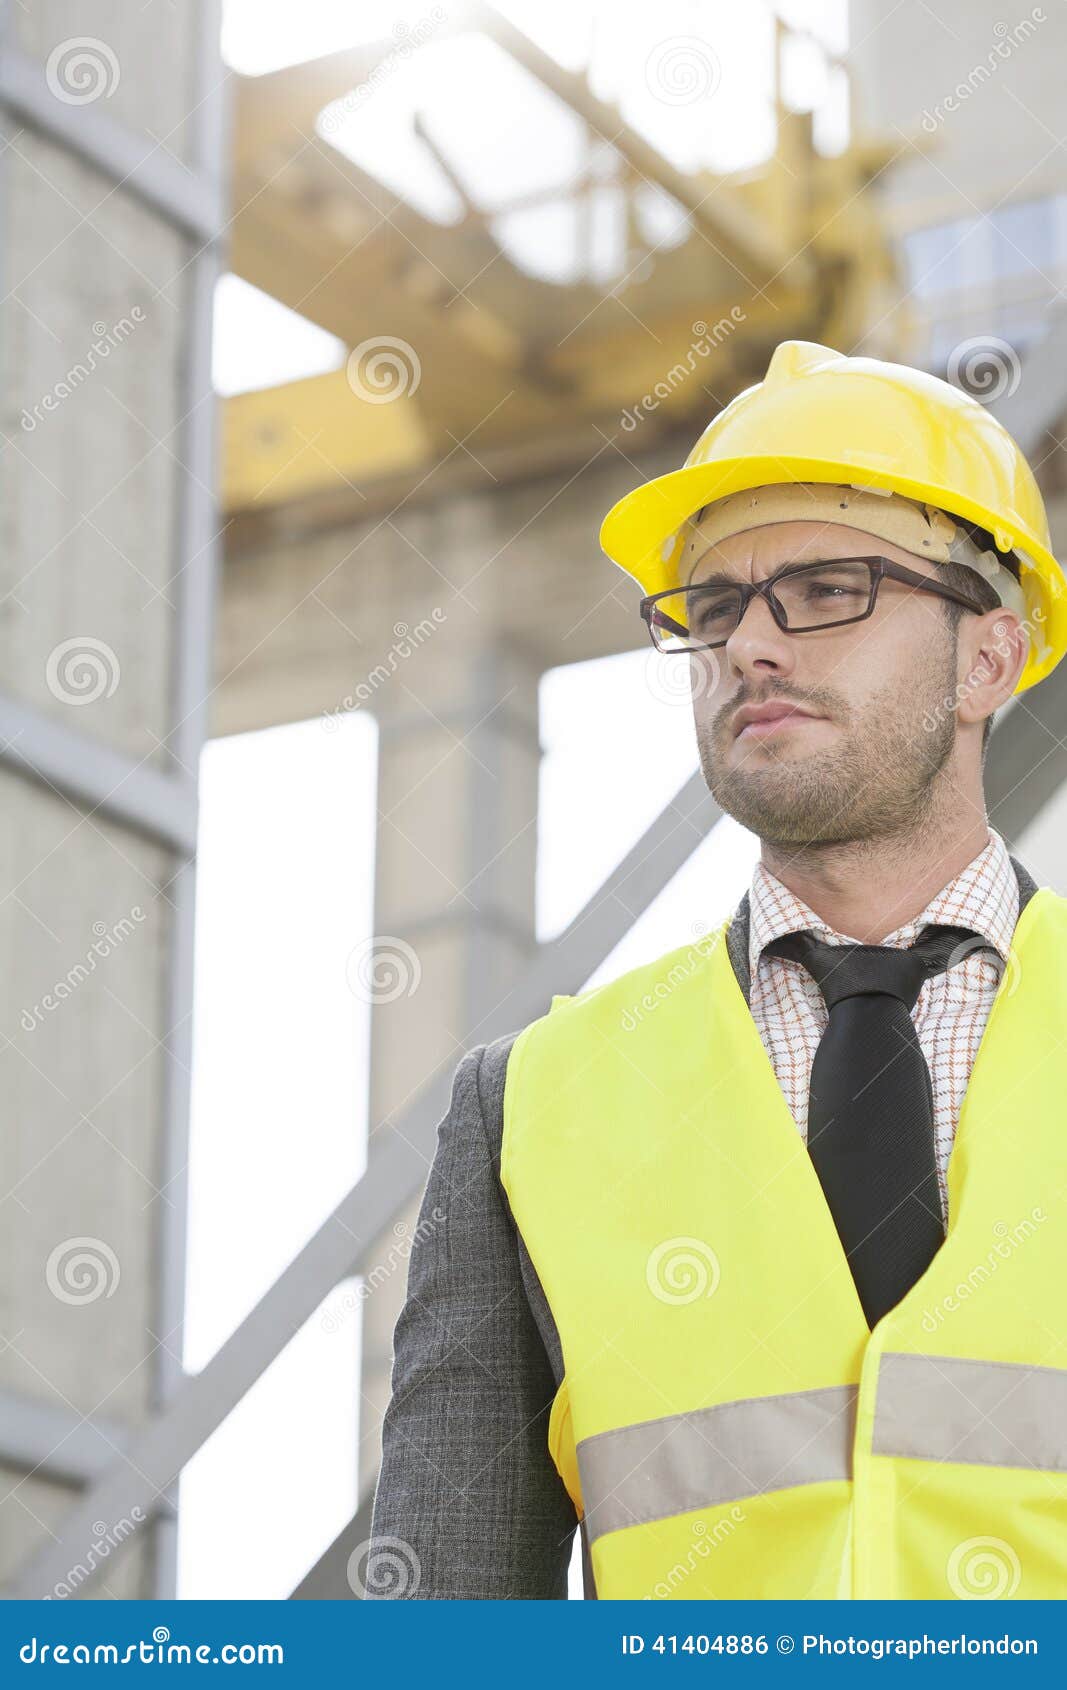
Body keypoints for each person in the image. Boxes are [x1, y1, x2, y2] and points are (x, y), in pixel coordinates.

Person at [364, 340, 1067, 1601]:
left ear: (987, 660)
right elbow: (446, 1618)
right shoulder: (533, 1104)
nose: (749, 644)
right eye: (713, 607)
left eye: (827, 587)